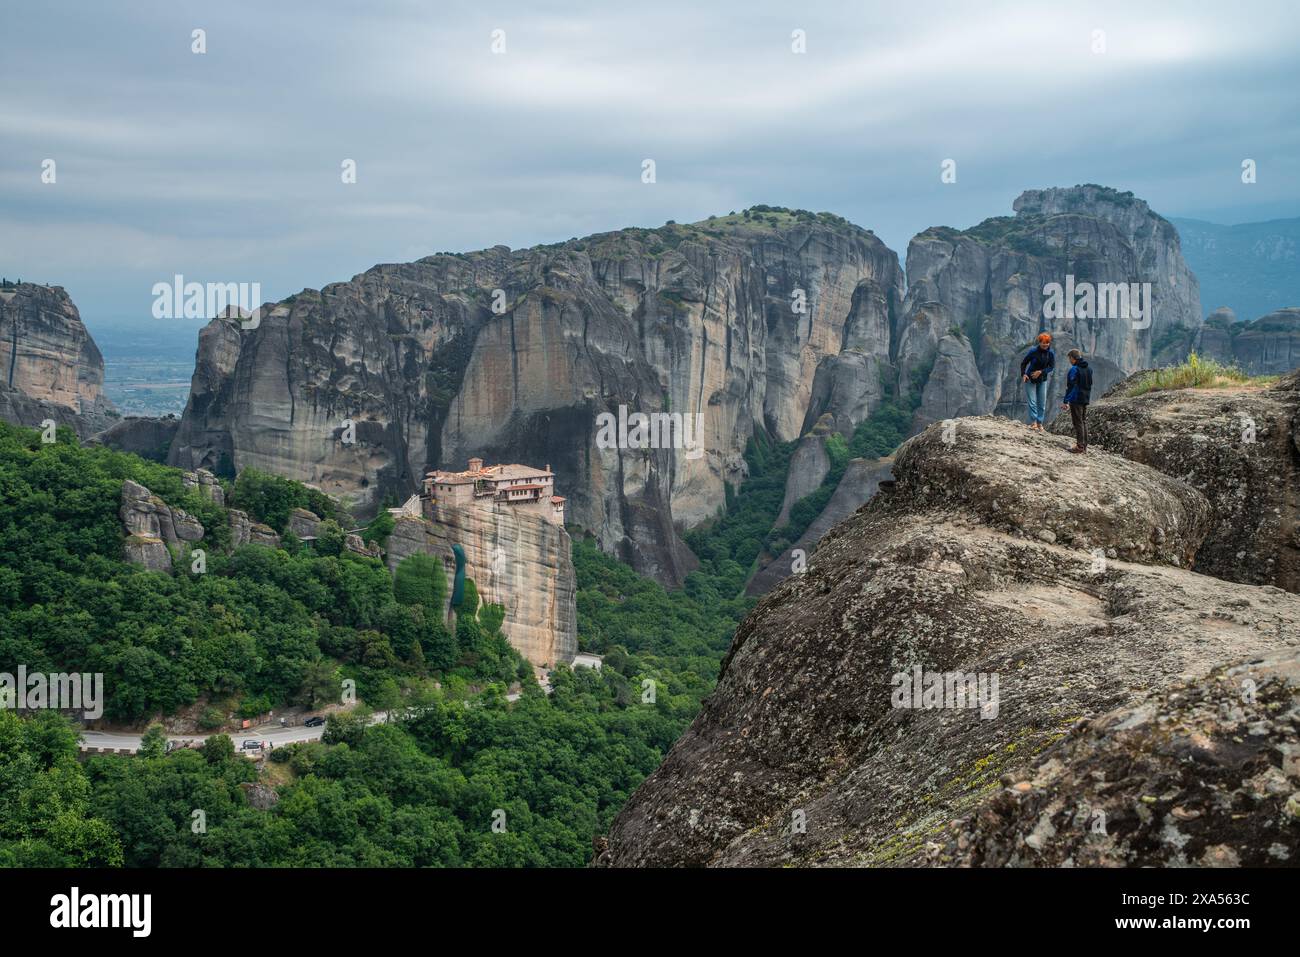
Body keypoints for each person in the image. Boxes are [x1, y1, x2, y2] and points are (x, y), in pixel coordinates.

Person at [1020, 332, 1055, 430]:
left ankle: (1040, 423)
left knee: (1042, 403)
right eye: (1043, 343)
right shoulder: (1033, 351)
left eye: (1047, 343)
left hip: (1042, 379)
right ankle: (1033, 422)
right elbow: (1024, 363)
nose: (1045, 345)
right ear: (1039, 342)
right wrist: (1023, 374)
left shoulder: (1050, 353)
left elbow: (1051, 367)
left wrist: (1041, 372)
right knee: (1032, 402)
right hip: (1030, 379)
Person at [1061, 348, 1093, 453]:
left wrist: (1066, 401)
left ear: (1073, 358)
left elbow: (1070, 386)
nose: (1069, 361)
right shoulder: (1089, 369)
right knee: (1083, 421)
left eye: (1069, 359)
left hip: (1076, 398)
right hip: (1085, 398)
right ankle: (1084, 446)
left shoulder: (1074, 369)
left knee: (1078, 422)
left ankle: (1079, 446)